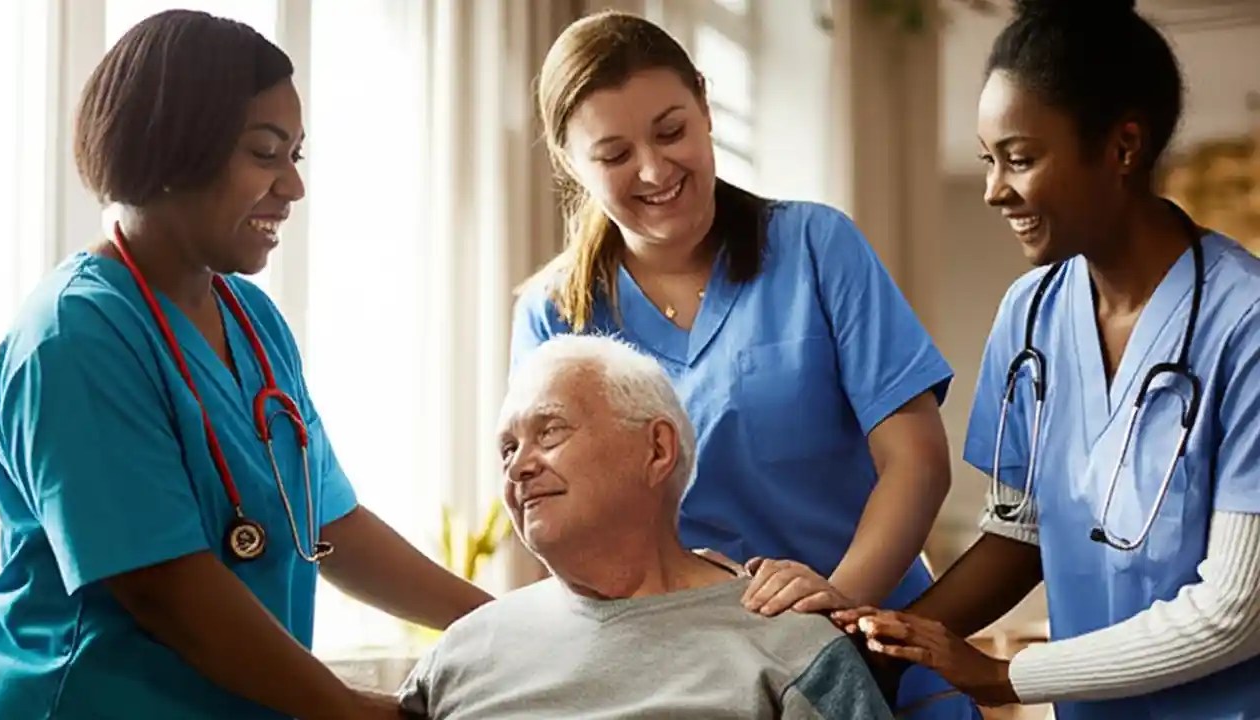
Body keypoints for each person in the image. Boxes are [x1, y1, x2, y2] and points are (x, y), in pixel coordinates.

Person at [0, 11, 490, 720]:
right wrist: (351, 711)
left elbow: (330, 525)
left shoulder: (253, 320)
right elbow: (167, 588)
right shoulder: (73, 336)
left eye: (295, 156)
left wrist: (504, 629)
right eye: (265, 153)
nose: (293, 187)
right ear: (172, 145)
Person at [509, 10, 977, 718]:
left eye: (671, 131)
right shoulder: (554, 316)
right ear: (571, 162)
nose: (654, 169)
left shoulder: (817, 246)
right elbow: (557, 526)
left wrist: (834, 609)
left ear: (704, 105)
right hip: (699, 676)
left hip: (875, 646)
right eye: (614, 154)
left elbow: (916, 461)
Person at [816, 1, 1260, 719]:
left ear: (1123, 147)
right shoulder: (1031, 315)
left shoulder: (1245, 325)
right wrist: (884, 648)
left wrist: (1006, 675)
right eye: (988, 160)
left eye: (1019, 159)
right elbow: (1020, 532)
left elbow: (1238, 609)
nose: (994, 190)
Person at [397, 334, 894, 719]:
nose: (519, 467)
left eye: (549, 432)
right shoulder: (462, 651)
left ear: (657, 450)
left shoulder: (791, 645)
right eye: (508, 449)